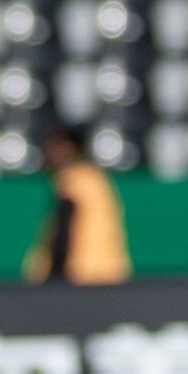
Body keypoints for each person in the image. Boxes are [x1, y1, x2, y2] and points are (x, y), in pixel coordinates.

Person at [24, 121, 130, 285]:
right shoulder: (97, 177)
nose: (49, 152)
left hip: (79, 277)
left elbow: (65, 225)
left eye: (56, 146)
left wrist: (55, 273)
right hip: (108, 275)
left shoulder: (73, 178)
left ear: (71, 147)